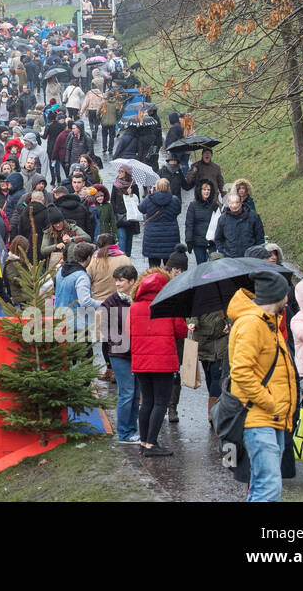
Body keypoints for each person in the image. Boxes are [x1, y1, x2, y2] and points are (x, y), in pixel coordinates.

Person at [227, 270, 298, 501]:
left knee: (263, 485)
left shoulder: (268, 324)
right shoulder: (252, 324)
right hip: (259, 417)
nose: (288, 298)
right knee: (268, 487)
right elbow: (241, 372)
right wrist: (271, 403)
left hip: (271, 418)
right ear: (277, 295)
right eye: (285, 293)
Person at [130, 269, 188, 456]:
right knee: (161, 402)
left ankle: (143, 441)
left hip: (141, 362)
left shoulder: (134, 307)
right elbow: (181, 332)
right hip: (163, 361)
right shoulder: (170, 305)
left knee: (146, 401)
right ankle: (152, 444)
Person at [103, 263, 140, 442]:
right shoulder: (110, 302)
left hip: (138, 353)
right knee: (127, 392)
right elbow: (107, 330)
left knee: (136, 393)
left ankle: (132, 430)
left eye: (121, 281)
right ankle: (124, 433)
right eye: (116, 281)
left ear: (132, 281)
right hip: (120, 354)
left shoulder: (139, 299)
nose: (118, 284)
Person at [190, 302, 230, 427]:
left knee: (216, 377)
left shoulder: (224, 295)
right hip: (203, 344)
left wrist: (230, 324)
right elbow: (192, 313)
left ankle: (213, 413)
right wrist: (192, 322)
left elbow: (233, 313)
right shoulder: (200, 296)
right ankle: (215, 407)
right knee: (209, 377)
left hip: (220, 343)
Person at [137, 178, 182, 268]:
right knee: (169, 268)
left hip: (152, 238)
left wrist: (149, 194)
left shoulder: (150, 199)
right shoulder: (174, 200)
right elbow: (178, 211)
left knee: (154, 268)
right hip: (170, 237)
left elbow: (141, 208)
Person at [213, 194, 265, 258]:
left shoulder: (253, 216)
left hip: (250, 257)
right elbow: (218, 239)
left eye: (236, 202)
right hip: (231, 259)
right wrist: (224, 253)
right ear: (228, 204)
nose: (234, 206)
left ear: (241, 203)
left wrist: (256, 253)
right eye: (231, 203)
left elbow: (260, 237)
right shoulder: (223, 219)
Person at [184, 180, 219, 264]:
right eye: (204, 189)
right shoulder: (193, 205)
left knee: (211, 266)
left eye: (208, 190)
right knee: (201, 266)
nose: (207, 192)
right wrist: (189, 240)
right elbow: (189, 224)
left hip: (211, 243)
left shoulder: (214, 205)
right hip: (198, 243)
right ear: (200, 190)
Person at [111, 166, 140, 258]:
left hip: (131, 217)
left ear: (127, 173)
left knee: (129, 239)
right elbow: (112, 201)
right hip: (120, 217)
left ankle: (127, 258)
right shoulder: (116, 185)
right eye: (119, 171)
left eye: (122, 171)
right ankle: (121, 258)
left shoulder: (133, 185)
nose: (119, 173)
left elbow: (137, 201)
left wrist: (131, 194)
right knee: (122, 237)